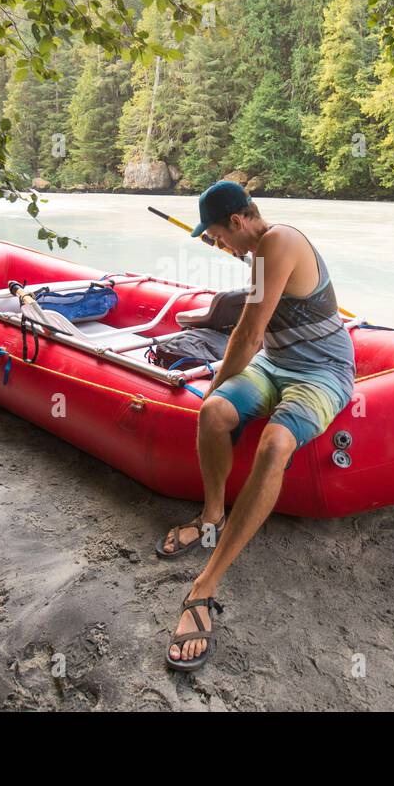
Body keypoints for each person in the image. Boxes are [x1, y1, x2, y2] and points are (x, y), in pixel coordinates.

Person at [158, 179, 356, 670]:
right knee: (216, 414)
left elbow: (247, 336)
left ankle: (205, 586)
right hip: (278, 364)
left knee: (273, 444)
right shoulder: (260, 251)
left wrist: (215, 384)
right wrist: (218, 400)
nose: (219, 244)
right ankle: (210, 517)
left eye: (220, 235)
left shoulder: (278, 242)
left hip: (324, 370)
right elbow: (260, 330)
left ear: (241, 221)